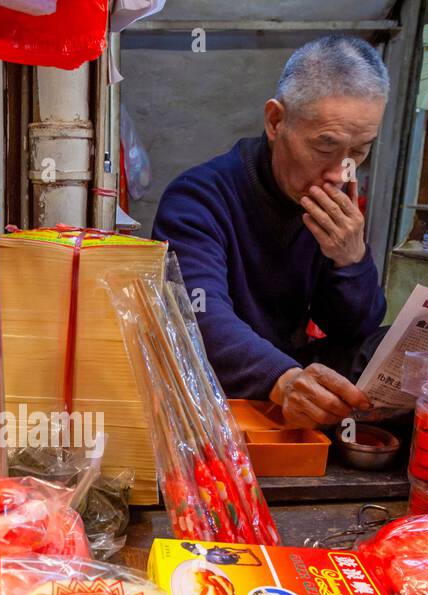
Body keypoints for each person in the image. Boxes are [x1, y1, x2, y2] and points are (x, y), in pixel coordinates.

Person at [152, 35, 389, 428]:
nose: (340, 172)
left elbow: (354, 331)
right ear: (276, 121)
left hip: (295, 373)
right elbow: (198, 316)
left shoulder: (334, 199)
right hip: (224, 385)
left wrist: (351, 260)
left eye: (359, 152)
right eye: (324, 146)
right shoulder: (198, 197)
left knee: (394, 346)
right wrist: (283, 378)